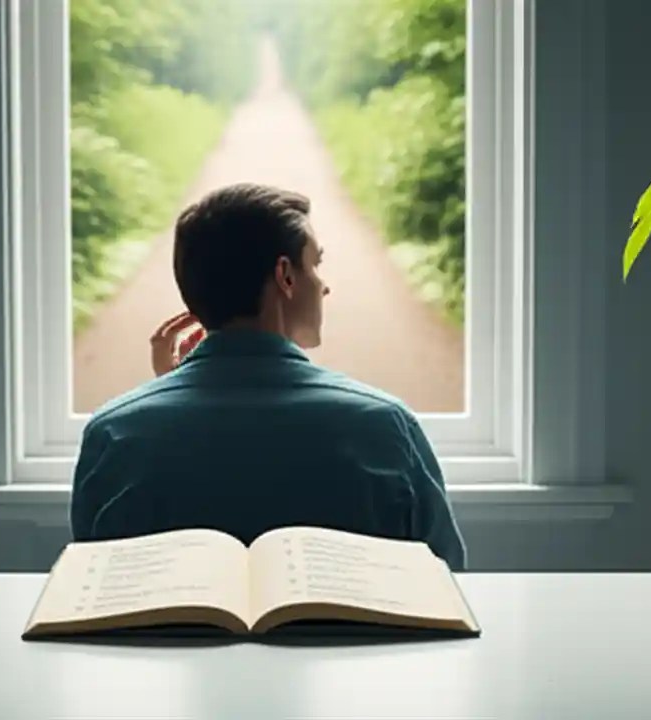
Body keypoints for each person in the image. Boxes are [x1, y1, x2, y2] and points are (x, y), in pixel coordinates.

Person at [69, 183, 467, 570]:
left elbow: (93, 594)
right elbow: (447, 582)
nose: (323, 286)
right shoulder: (385, 427)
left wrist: (167, 396)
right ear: (286, 277)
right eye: (315, 264)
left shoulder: (114, 434)